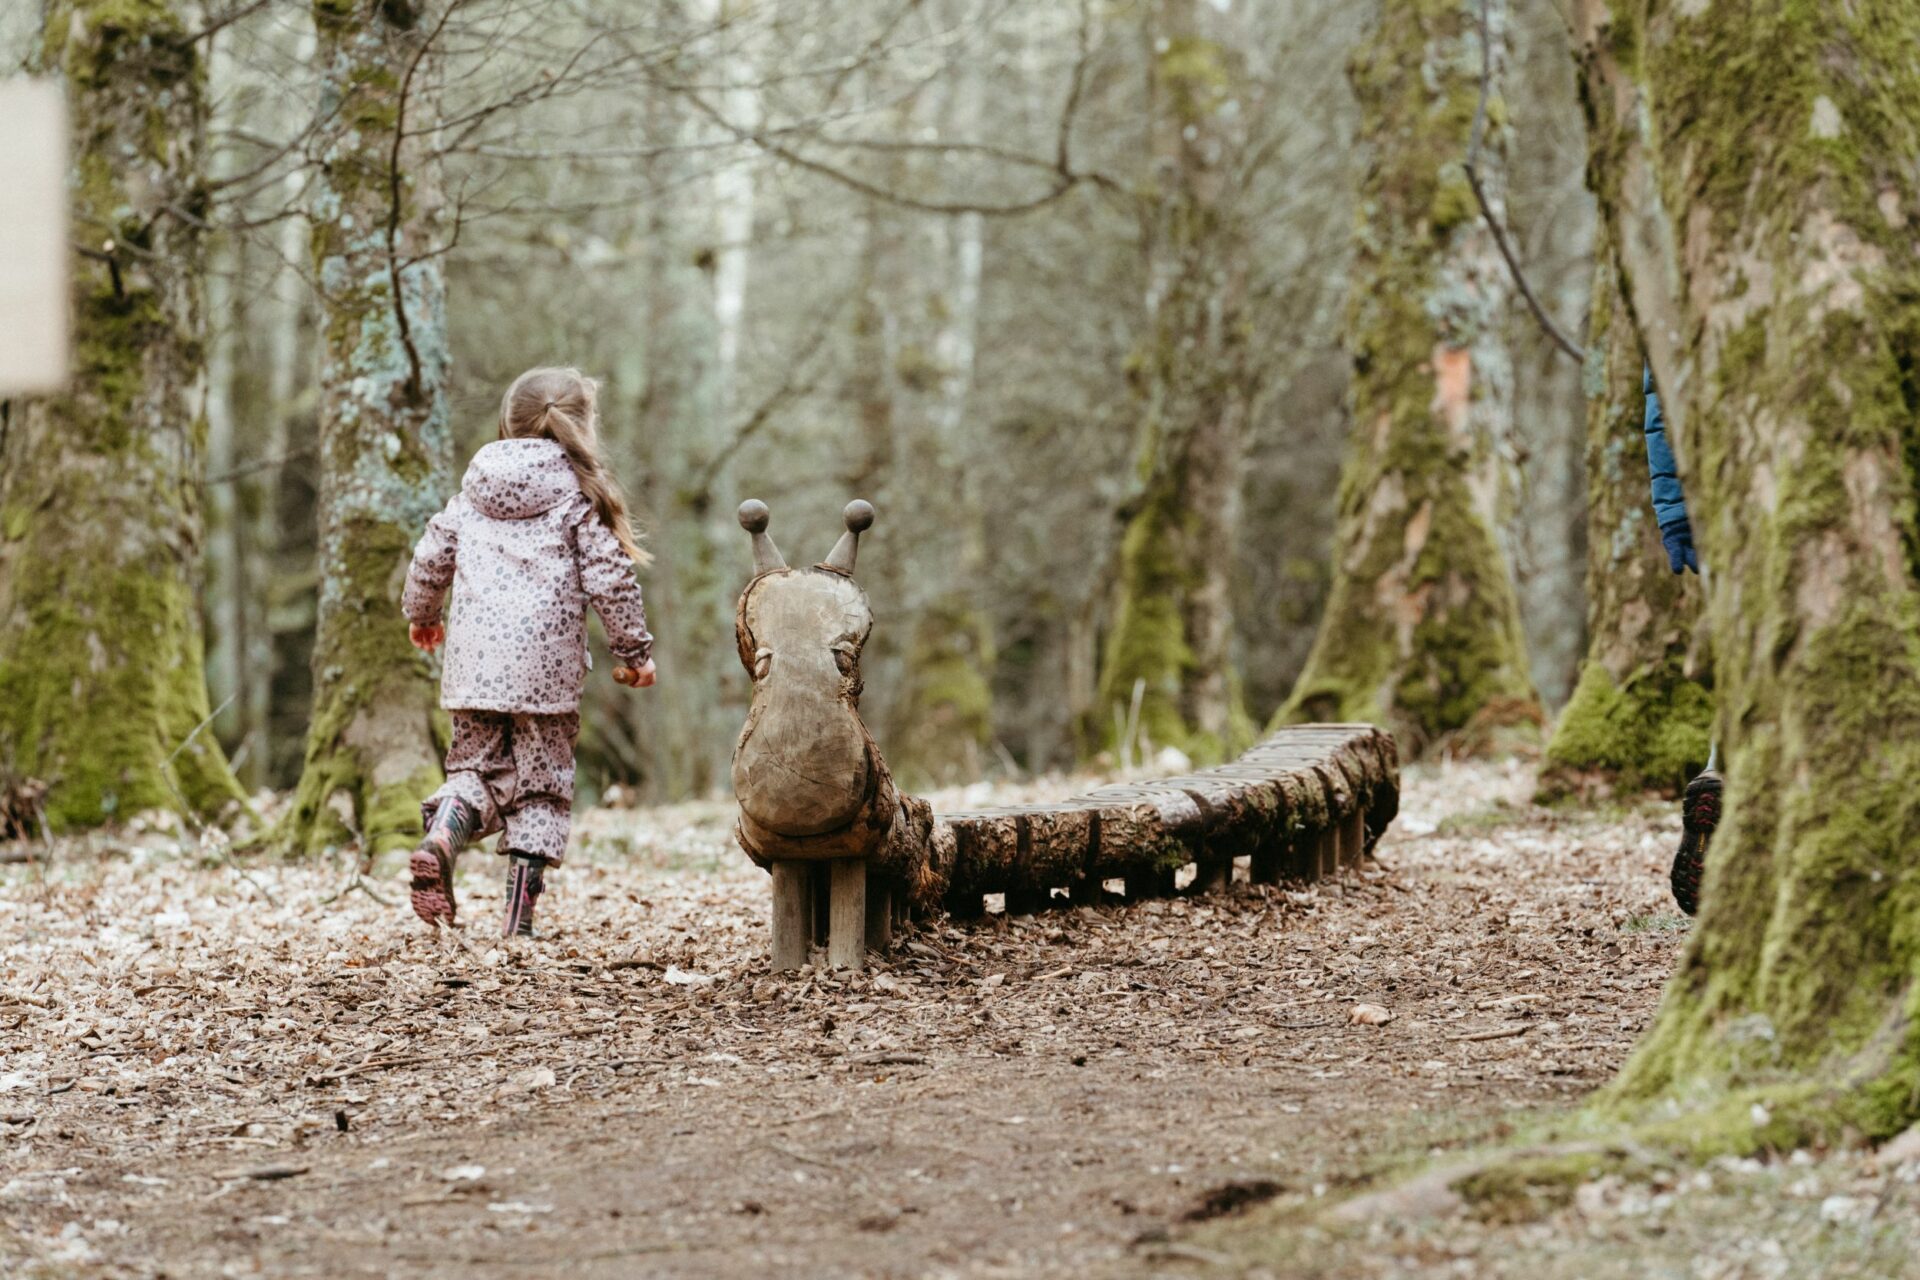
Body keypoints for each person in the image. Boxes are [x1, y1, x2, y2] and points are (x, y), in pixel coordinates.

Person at [401, 366, 657, 938]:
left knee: (474, 768)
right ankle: (518, 923)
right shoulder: (575, 497)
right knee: (541, 787)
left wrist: (422, 614)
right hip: (546, 676)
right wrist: (634, 652)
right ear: (580, 427)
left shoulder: (472, 490)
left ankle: (444, 831)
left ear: (508, 421)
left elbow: (431, 553)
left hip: (473, 668)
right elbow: (611, 579)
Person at [1643, 366, 1718, 916]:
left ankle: (1723, 766)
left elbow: (1662, 393)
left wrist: (1673, 511)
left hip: (1713, 493)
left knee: (1749, 656)